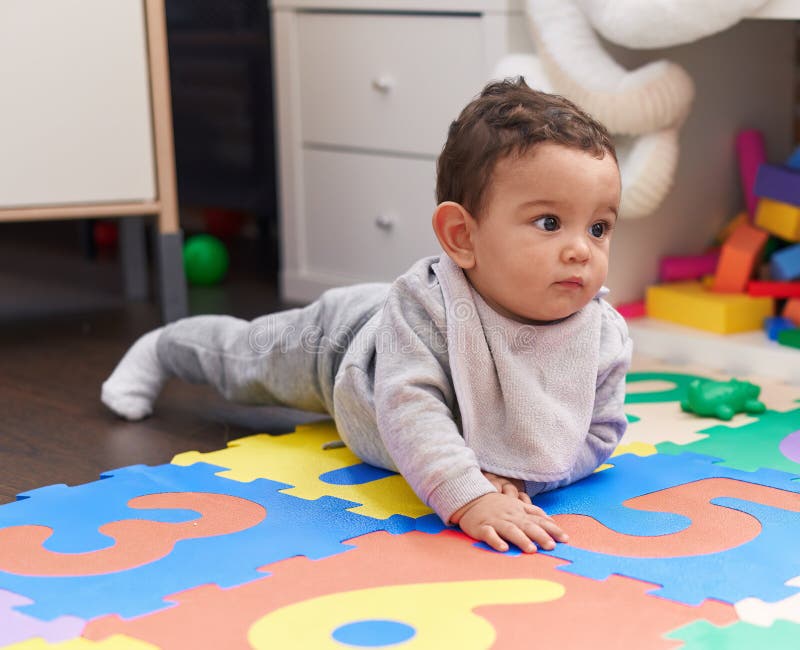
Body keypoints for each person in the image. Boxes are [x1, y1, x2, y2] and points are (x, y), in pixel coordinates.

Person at [102, 78, 632, 554]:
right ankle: (163, 346)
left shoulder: (602, 334)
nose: (581, 250)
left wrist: (523, 479)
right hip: (343, 347)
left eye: (598, 228)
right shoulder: (426, 313)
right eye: (548, 222)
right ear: (462, 237)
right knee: (244, 360)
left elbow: (599, 430)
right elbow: (411, 412)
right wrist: (470, 495)